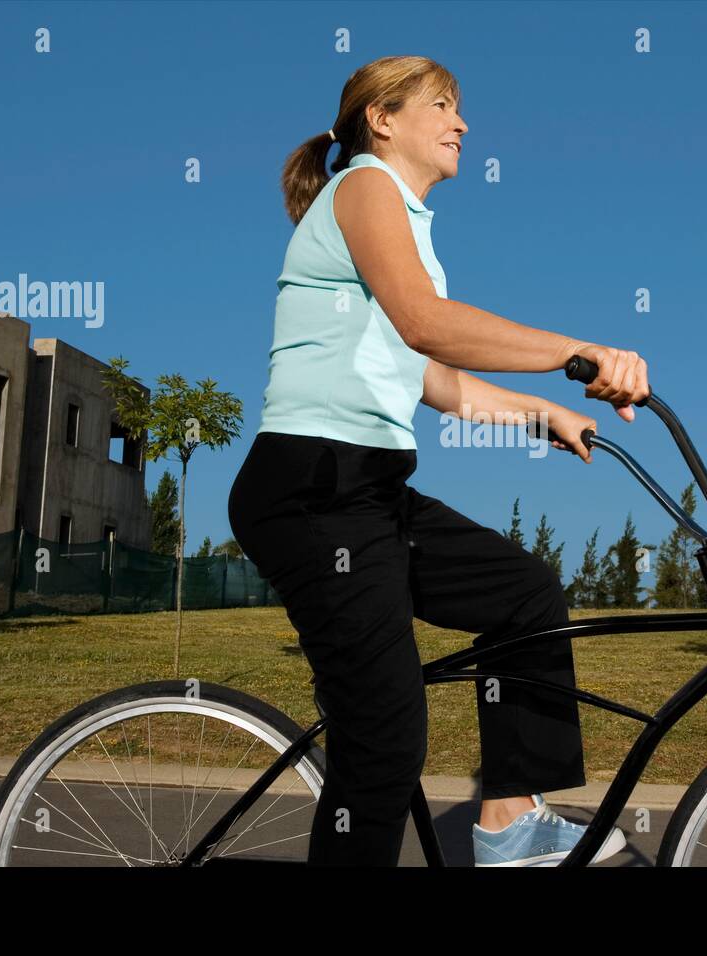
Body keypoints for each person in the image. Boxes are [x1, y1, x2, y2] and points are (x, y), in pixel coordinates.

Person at [228, 55, 650, 867]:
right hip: (312, 488)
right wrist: (581, 351)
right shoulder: (362, 187)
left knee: (526, 594)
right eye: (445, 106)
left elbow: (436, 379)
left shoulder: (407, 223)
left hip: (371, 489)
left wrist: (547, 414)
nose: (463, 124)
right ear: (383, 119)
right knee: (383, 742)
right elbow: (426, 322)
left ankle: (508, 823)